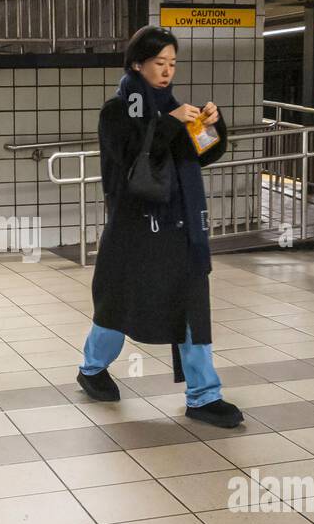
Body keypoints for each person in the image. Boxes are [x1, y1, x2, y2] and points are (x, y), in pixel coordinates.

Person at [76, 25, 243, 428]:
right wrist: (169, 122)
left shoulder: (176, 109)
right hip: (134, 231)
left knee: (190, 311)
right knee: (115, 308)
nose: (167, 72)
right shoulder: (117, 112)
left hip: (181, 231)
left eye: (172, 64)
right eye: (159, 63)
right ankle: (92, 368)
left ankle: (204, 395)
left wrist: (212, 128)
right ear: (138, 64)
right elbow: (135, 161)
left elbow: (198, 156)